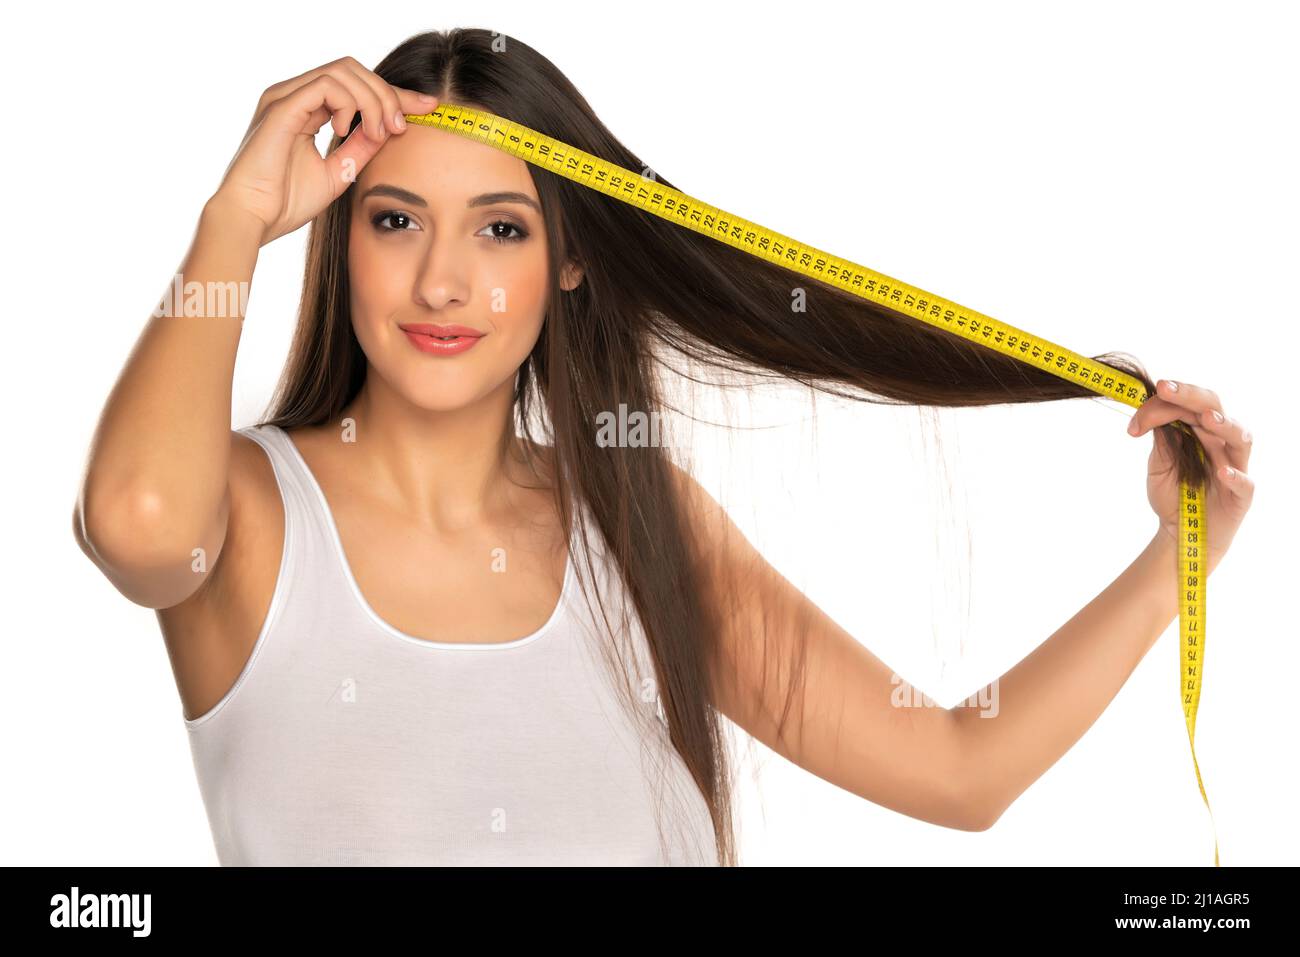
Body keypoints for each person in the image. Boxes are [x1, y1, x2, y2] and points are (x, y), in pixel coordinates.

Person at [72, 29, 1255, 866]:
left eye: (501, 227)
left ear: (570, 260)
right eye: (394, 221)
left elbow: (958, 770)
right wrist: (231, 218)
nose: (443, 280)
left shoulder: (640, 523)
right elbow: (133, 528)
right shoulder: (244, 507)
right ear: (338, 240)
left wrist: (1177, 559)